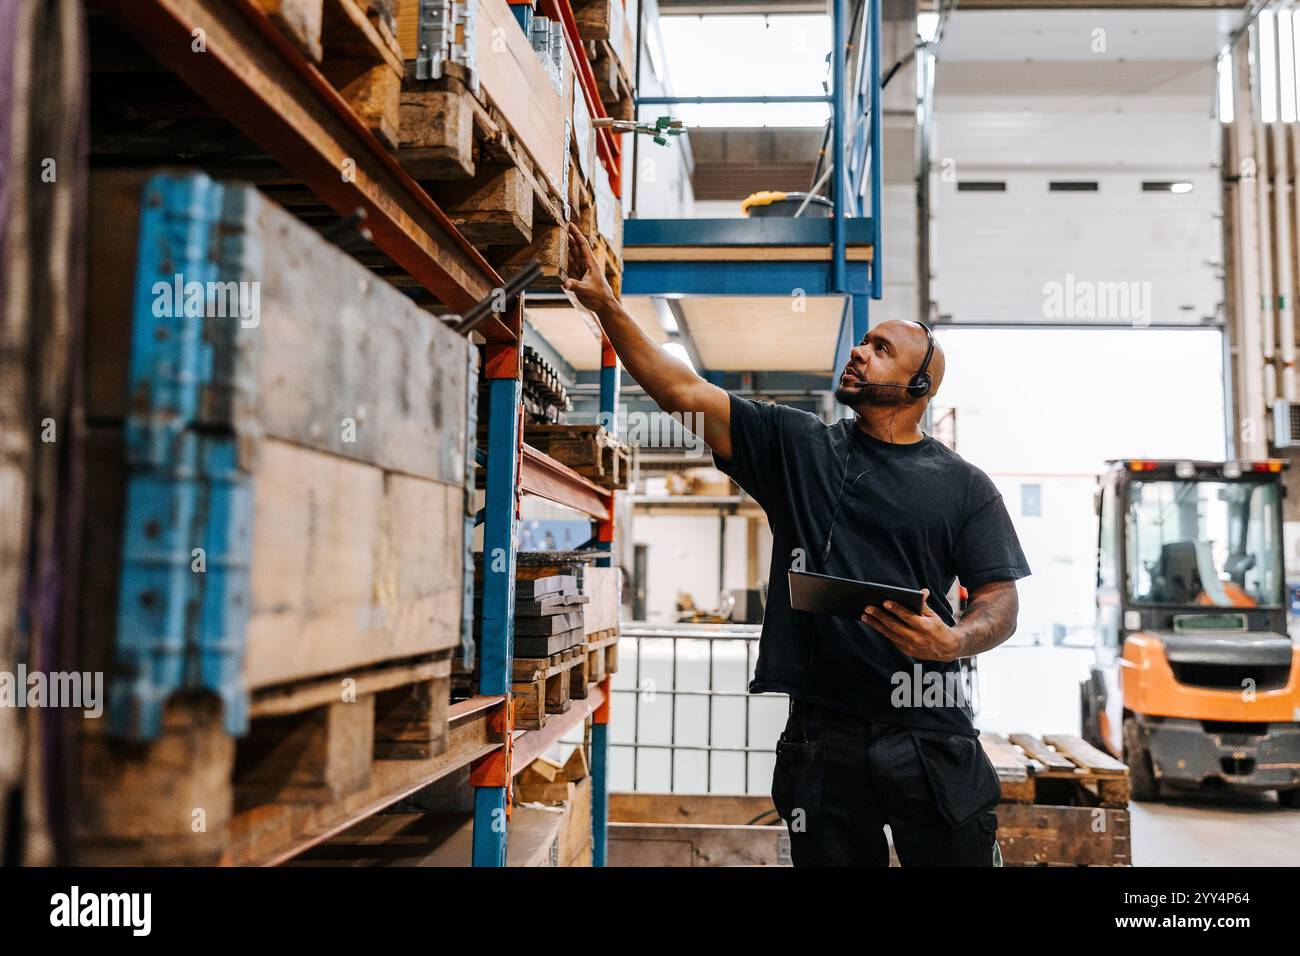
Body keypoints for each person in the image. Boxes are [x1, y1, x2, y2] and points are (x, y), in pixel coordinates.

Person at [563, 224, 1031, 866]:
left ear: (918, 387)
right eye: (862, 342)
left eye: (882, 349)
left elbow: (1000, 600)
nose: (861, 352)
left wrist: (955, 640)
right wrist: (607, 305)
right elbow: (683, 393)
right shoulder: (799, 447)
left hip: (929, 729)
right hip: (824, 732)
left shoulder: (965, 487)